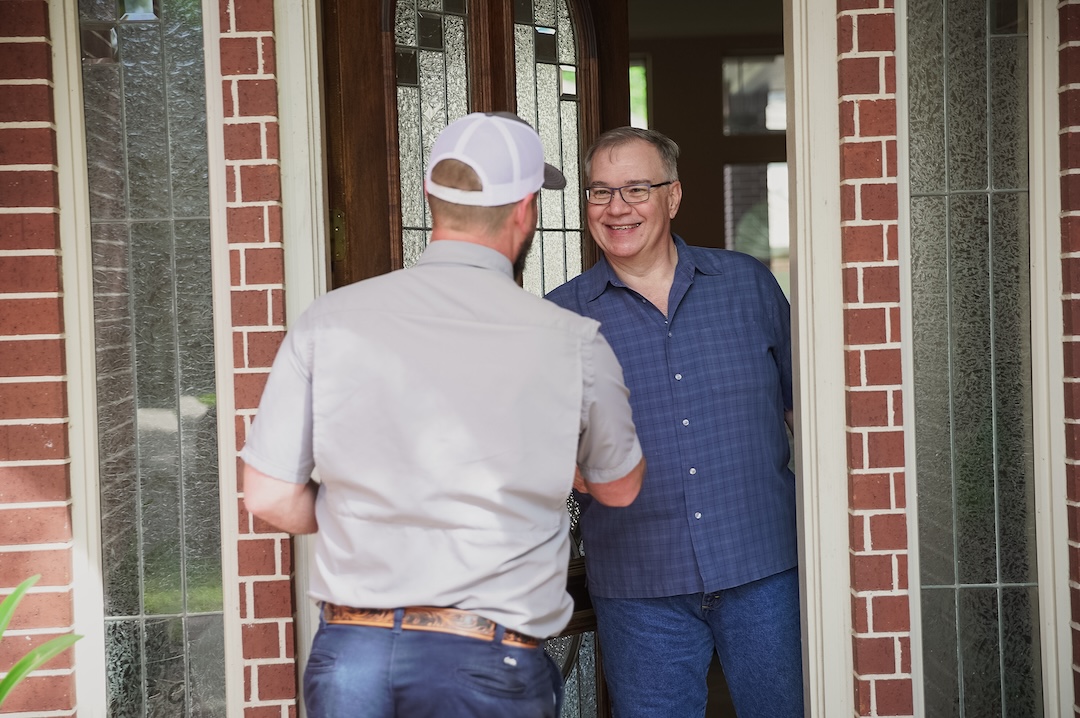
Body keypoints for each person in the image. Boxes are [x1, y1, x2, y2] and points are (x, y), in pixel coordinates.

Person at [240, 111, 646, 718]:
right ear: (525, 211)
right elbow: (620, 487)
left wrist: (370, 510)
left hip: (351, 657)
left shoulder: (330, 320)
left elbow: (269, 496)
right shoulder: (572, 340)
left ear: (431, 199)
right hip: (485, 663)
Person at [545, 127, 802, 718]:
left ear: (673, 196)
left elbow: (807, 418)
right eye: (600, 191)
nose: (617, 208)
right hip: (639, 587)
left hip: (763, 568)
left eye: (636, 188)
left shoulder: (748, 285)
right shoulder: (558, 318)